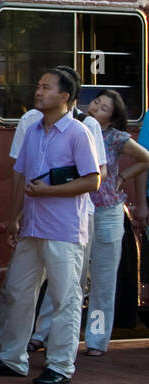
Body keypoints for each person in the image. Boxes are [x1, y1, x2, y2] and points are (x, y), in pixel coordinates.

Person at [0, 65, 104, 366]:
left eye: (46, 87)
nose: (38, 92)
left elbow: (93, 180)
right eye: (38, 86)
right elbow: (21, 176)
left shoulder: (79, 133)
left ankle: (60, 365)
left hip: (64, 230)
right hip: (32, 227)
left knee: (64, 298)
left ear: (64, 96)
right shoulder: (33, 130)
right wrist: (14, 217)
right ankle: (12, 359)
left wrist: (48, 191)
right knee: (17, 292)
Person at [30, 90, 149, 357]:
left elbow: (145, 158)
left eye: (104, 107)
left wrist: (122, 178)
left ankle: (96, 340)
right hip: (80, 211)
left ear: (112, 116)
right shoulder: (77, 129)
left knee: (103, 281)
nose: (96, 107)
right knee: (66, 277)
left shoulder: (117, 138)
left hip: (107, 212)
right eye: (96, 102)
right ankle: (41, 333)